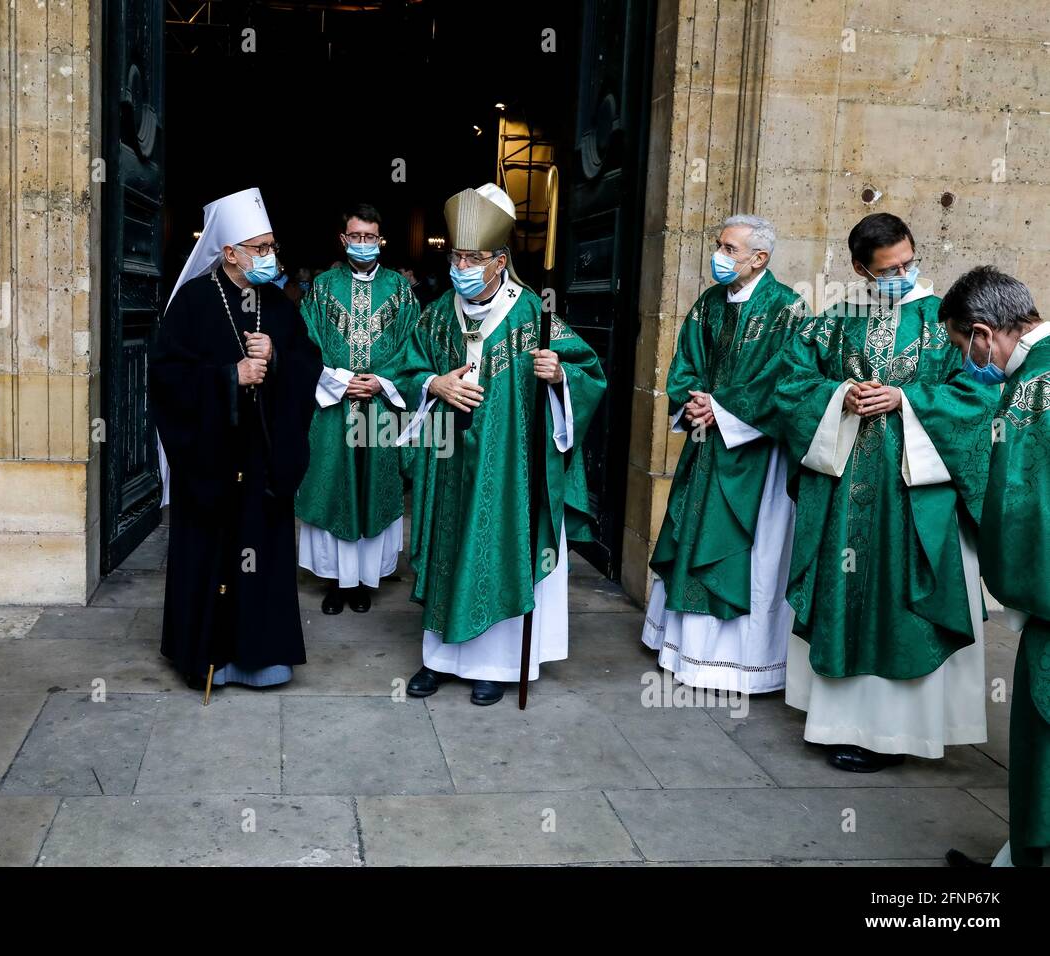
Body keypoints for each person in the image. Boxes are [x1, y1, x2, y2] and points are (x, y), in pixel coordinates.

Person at [774, 213, 999, 772]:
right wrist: (839, 398)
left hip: (915, 498)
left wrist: (908, 402)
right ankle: (842, 722)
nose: (903, 273)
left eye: (908, 262)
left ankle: (900, 733)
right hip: (848, 494)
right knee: (849, 596)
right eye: (889, 269)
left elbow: (980, 397)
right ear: (860, 270)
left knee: (902, 601)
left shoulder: (948, 321)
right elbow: (790, 384)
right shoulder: (834, 322)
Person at [386, 183, 606, 705]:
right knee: (449, 545)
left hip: (509, 468)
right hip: (447, 460)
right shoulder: (439, 313)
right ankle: (439, 659)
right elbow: (405, 368)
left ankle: (499, 665)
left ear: (500, 260)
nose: (461, 265)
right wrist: (434, 383)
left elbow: (587, 371)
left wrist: (558, 377)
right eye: (456, 255)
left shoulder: (534, 315)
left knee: (498, 547)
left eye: (473, 258)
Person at [149, 187, 320, 692]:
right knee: (211, 552)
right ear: (229, 253)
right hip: (212, 457)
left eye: (272, 247)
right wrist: (229, 377)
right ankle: (208, 655)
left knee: (260, 551)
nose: (271, 257)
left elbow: (308, 363)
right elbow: (167, 378)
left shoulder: (278, 303)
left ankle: (262, 653)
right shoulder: (195, 301)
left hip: (262, 456)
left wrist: (279, 357)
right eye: (260, 248)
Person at [642, 215, 806, 693]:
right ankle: (685, 648)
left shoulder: (788, 309)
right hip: (705, 443)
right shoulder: (709, 304)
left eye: (729, 249)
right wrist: (694, 399)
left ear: (760, 258)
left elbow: (789, 379)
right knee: (692, 531)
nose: (719, 255)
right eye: (719, 245)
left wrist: (726, 410)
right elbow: (686, 361)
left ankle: (741, 663)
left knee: (748, 548)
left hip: (756, 454)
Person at [939, 266, 1048, 867]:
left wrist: (1018, 586)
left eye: (963, 347)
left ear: (983, 334)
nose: (969, 360)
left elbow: (1029, 501)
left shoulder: (1037, 385)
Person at [296, 203, 419, 614]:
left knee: (372, 490)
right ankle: (335, 580)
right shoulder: (321, 287)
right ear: (343, 239)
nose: (364, 244)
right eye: (356, 236)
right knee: (336, 488)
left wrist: (380, 381)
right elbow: (305, 343)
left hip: (380, 408)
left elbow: (413, 348)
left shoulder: (400, 292)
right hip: (334, 409)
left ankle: (364, 580)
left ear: (380, 239)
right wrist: (338, 381)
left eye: (371, 236)